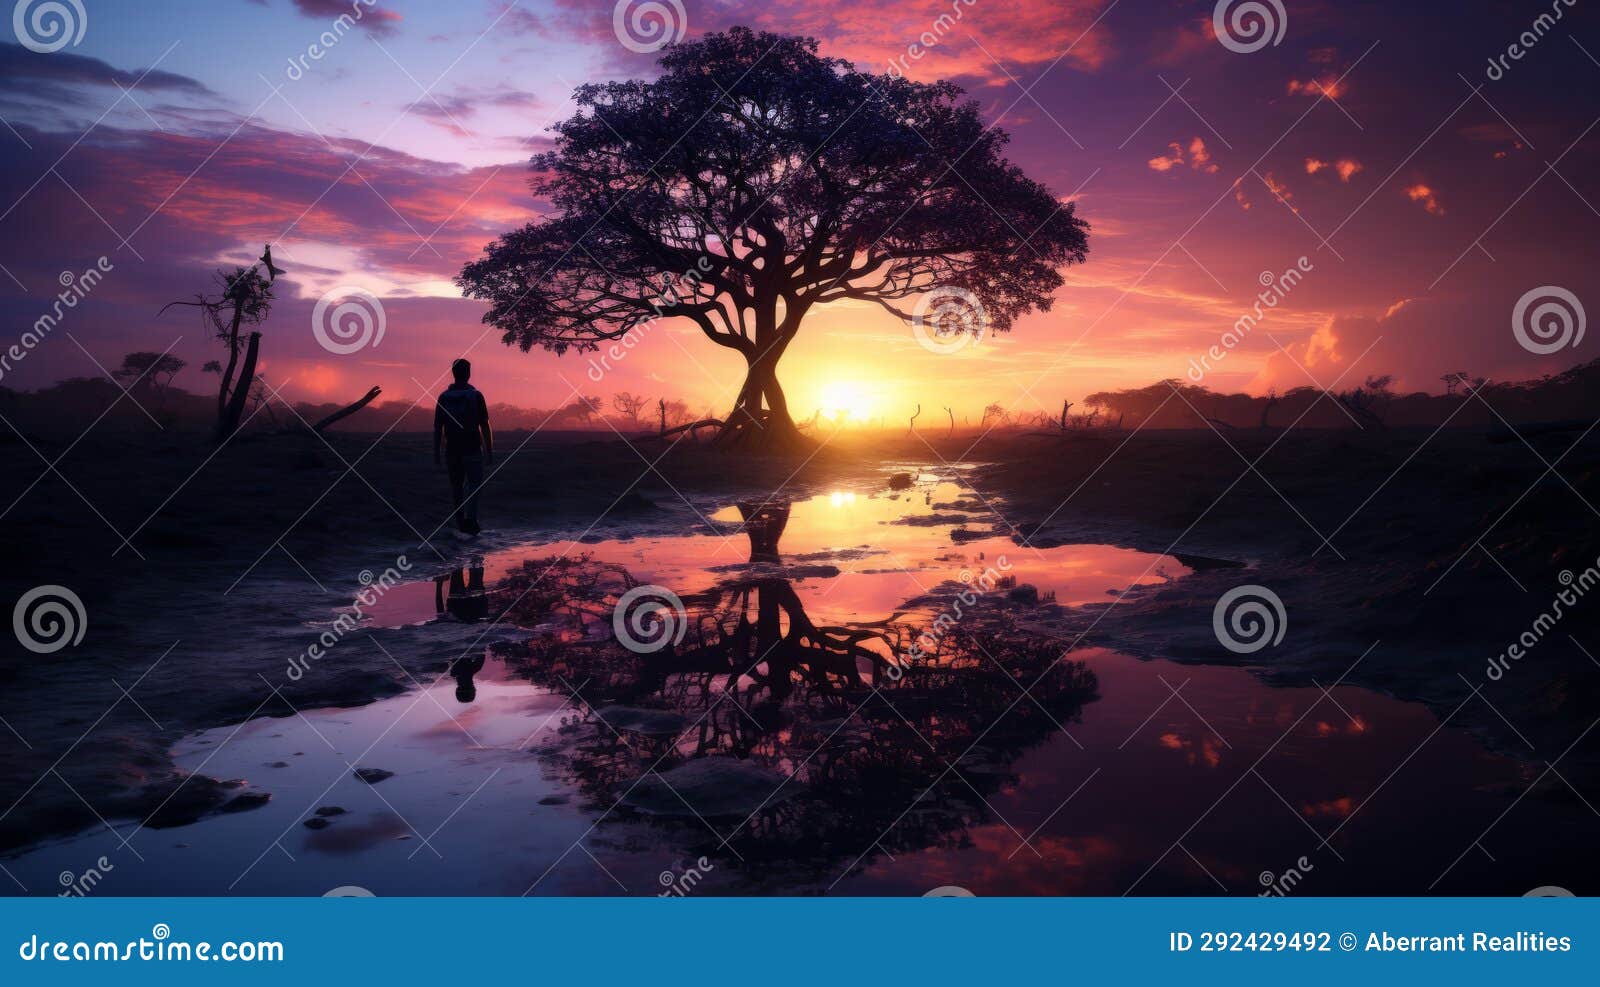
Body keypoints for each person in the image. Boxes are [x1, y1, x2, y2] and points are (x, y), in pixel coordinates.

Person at [434, 359, 493, 534]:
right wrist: (489, 450)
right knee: (474, 484)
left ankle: (460, 522)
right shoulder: (475, 395)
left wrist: (436, 453)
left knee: (456, 486)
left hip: (452, 450)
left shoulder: (444, 397)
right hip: (473, 447)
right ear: (468, 373)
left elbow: (438, 427)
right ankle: (471, 519)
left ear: (453, 373)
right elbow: (485, 425)